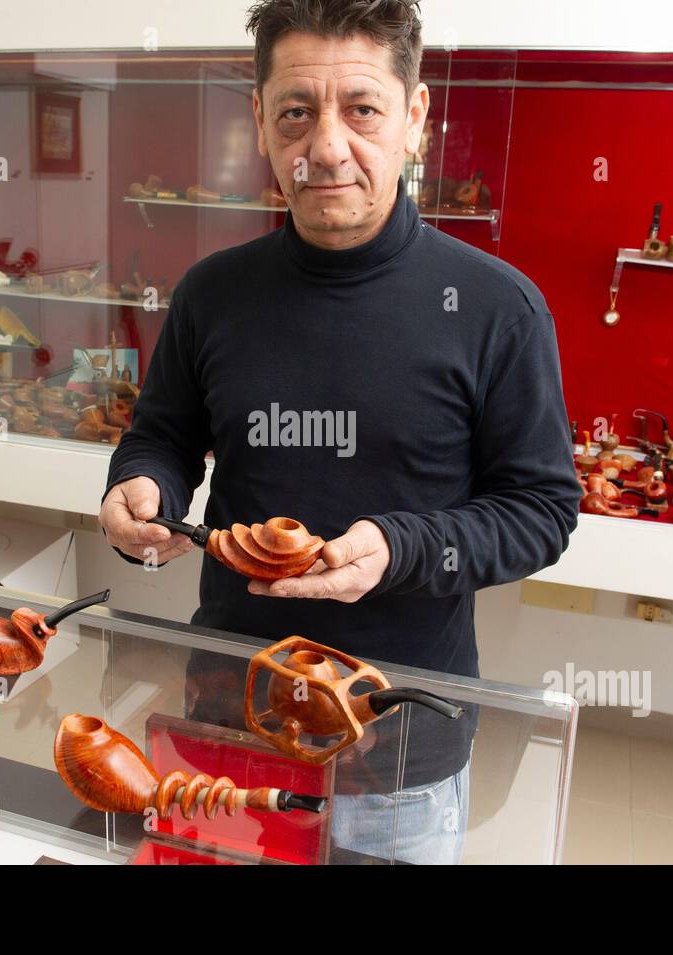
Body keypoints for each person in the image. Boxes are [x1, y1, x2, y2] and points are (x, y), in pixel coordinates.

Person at [100, 0, 581, 864]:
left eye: (360, 108)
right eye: (296, 111)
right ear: (259, 120)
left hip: (396, 755)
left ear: (415, 117)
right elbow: (162, 437)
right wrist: (144, 490)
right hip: (227, 724)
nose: (325, 147)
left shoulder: (497, 308)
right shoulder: (213, 292)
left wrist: (398, 549)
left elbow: (541, 510)